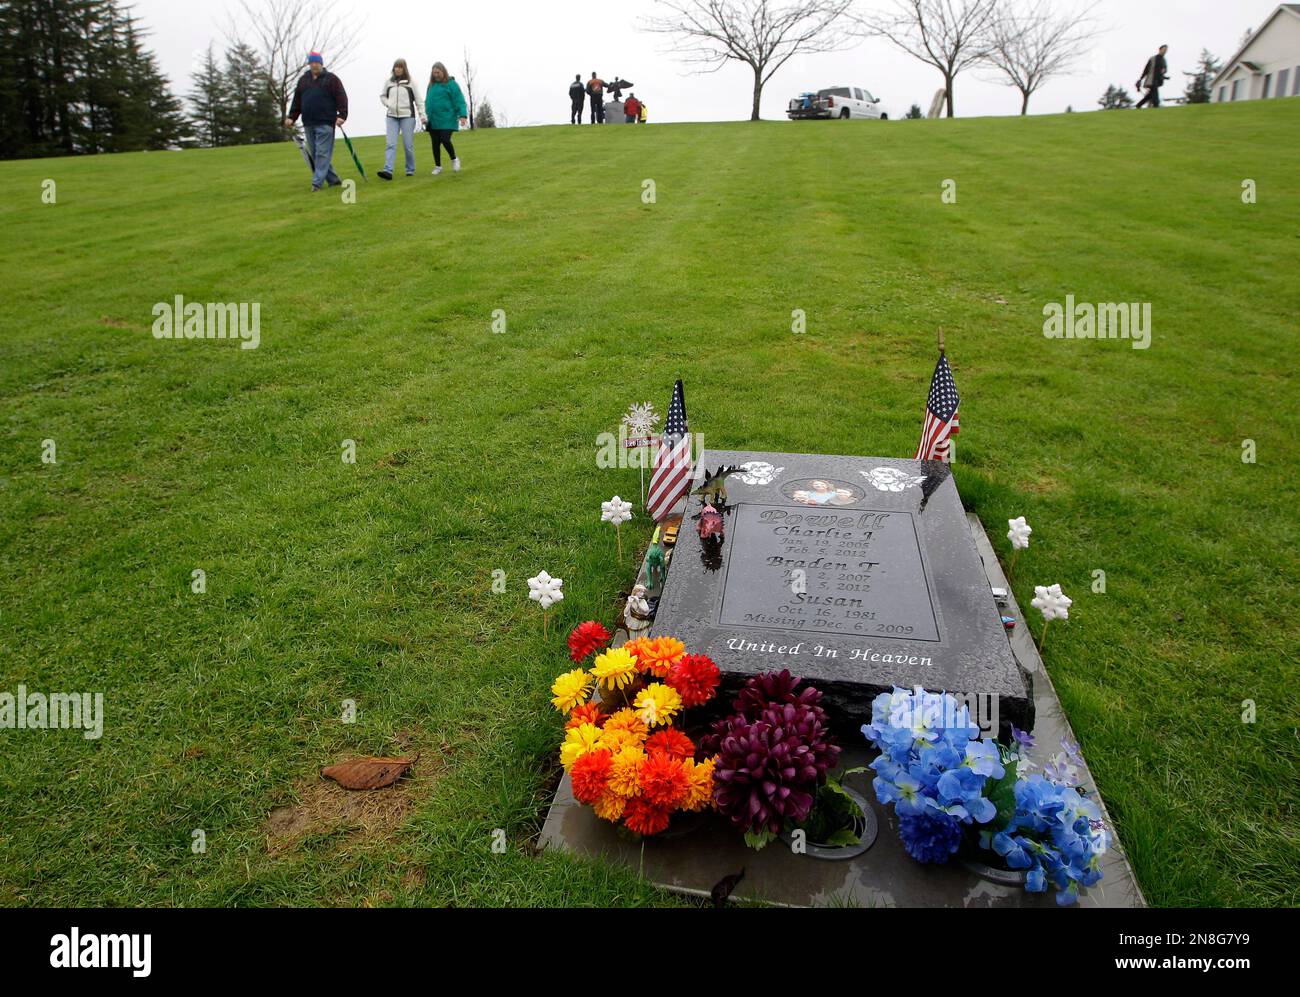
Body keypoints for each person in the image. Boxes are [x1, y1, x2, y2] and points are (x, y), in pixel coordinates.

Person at [285, 51, 348, 192]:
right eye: (311, 62)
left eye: (316, 62)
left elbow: (341, 97)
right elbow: (297, 101)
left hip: (326, 122)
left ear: (321, 63)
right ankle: (333, 179)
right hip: (308, 122)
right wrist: (291, 117)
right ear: (309, 64)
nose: (314, 65)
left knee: (322, 154)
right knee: (315, 154)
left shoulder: (332, 79)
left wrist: (342, 115)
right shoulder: (303, 80)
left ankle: (317, 183)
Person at [378, 59, 425, 180]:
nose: (398, 69)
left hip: (407, 116)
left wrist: (422, 115)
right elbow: (382, 96)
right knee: (390, 144)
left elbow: (419, 100)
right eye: (396, 67)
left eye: (400, 67)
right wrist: (388, 103)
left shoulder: (411, 83)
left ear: (404, 69)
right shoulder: (388, 82)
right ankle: (388, 170)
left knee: (407, 145)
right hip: (391, 116)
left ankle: (410, 169)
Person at [424, 61, 468, 174]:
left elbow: (459, 99)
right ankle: (438, 166)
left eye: (438, 72)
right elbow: (428, 101)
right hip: (434, 119)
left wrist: (462, 115)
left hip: (448, 118)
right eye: (434, 73)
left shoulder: (451, 84)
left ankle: (454, 159)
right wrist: (425, 115)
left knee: (445, 139)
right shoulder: (431, 85)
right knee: (435, 143)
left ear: (443, 71)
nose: (436, 75)